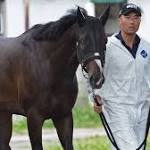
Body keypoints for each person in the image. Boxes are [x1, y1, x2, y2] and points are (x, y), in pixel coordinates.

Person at [87, 3, 150, 150]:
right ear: (119, 20)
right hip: (116, 106)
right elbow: (92, 74)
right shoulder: (107, 47)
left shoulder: (147, 48)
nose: (132, 21)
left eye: (136, 18)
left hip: (143, 108)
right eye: (127, 17)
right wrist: (94, 99)